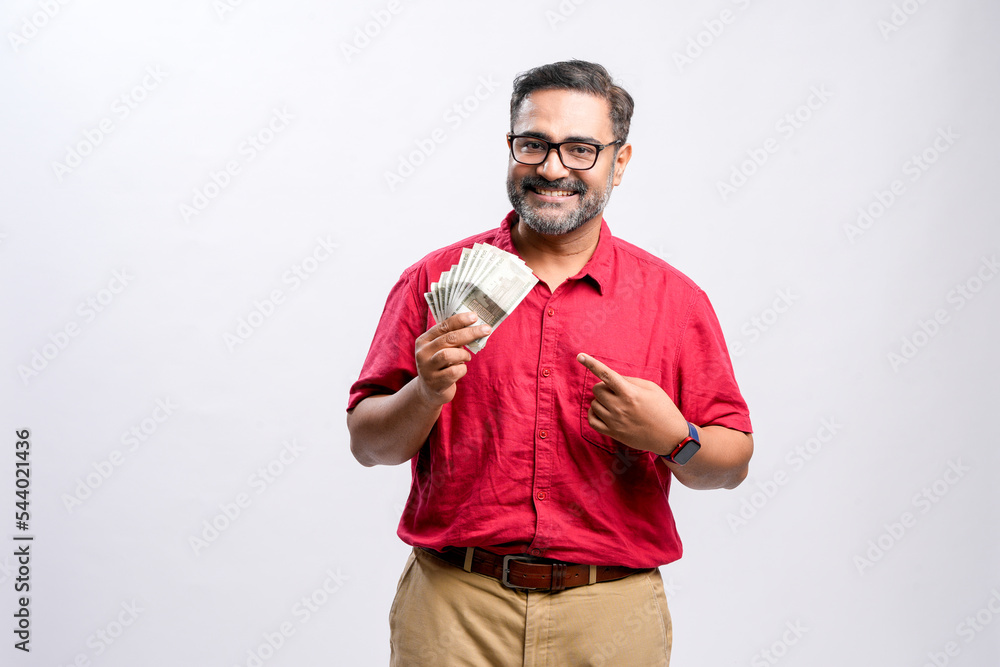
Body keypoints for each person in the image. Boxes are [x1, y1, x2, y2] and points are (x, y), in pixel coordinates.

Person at [347, 59, 753, 666]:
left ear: (620, 160)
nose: (553, 167)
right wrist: (425, 392)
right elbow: (368, 445)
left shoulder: (675, 300)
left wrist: (675, 438)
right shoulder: (432, 281)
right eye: (533, 144)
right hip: (454, 607)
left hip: (610, 614)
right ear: (511, 148)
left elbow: (732, 464)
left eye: (581, 149)